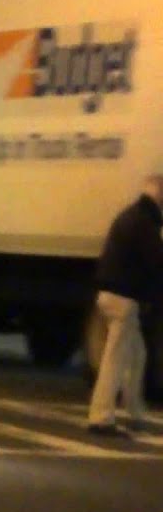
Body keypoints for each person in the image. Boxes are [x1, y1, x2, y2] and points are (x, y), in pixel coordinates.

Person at [87, 174, 163, 437]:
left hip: (109, 295)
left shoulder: (131, 216)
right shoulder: (145, 224)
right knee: (115, 360)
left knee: (137, 354)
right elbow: (157, 264)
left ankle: (135, 409)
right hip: (123, 299)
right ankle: (101, 417)